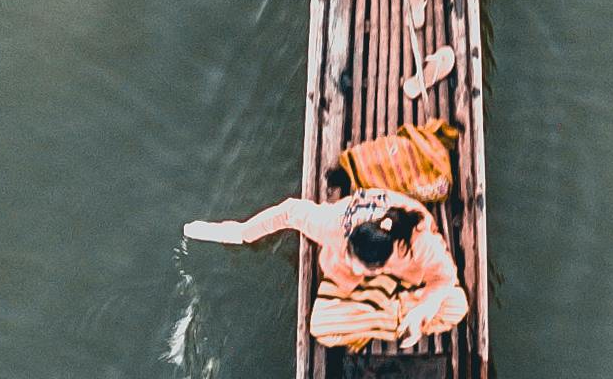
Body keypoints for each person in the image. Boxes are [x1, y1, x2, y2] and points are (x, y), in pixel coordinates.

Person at [185, 121, 468, 348]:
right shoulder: (335, 224)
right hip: (368, 289)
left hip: (409, 281)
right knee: (321, 326)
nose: (353, 264)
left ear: (387, 259)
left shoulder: (420, 241)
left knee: (458, 305)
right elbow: (289, 212)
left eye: (363, 266)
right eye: (350, 255)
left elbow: (444, 278)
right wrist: (240, 232)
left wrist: (421, 312)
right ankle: (388, 313)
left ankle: (391, 313)